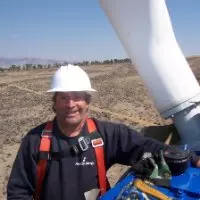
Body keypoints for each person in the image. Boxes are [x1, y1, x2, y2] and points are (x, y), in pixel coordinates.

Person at [7, 64, 200, 200]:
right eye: (63, 97)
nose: (70, 104)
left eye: (77, 97)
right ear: (54, 103)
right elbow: (18, 191)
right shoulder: (35, 141)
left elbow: (144, 147)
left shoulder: (104, 134)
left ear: (88, 102)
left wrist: (189, 157)